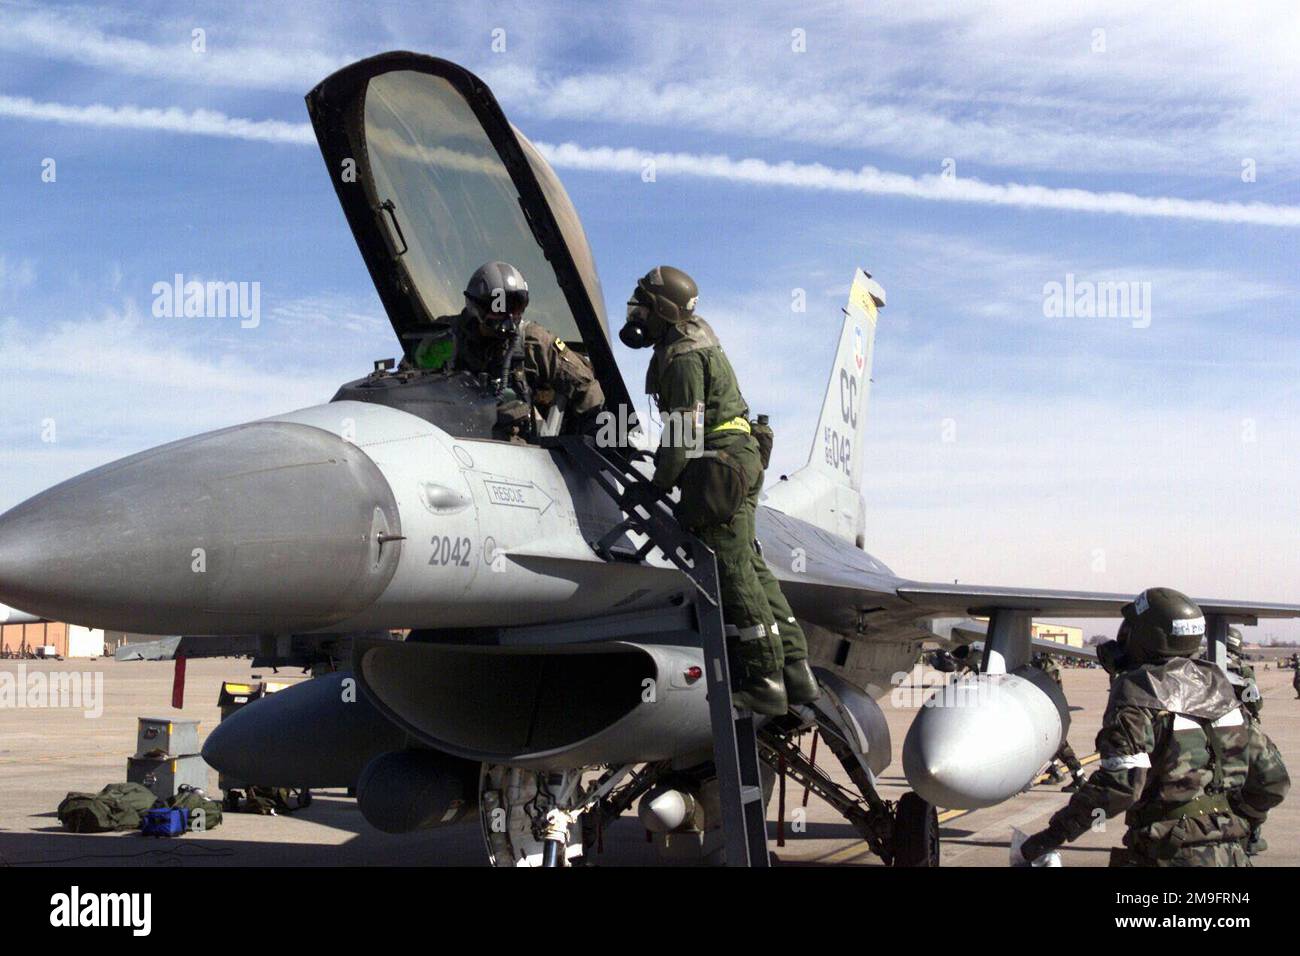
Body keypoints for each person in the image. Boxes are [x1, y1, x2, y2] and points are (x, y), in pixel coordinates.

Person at [618, 265, 816, 715]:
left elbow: (684, 431)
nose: (636, 316)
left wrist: (658, 485)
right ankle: (795, 672)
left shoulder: (683, 356)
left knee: (730, 569)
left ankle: (764, 680)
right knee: (749, 562)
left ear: (663, 311)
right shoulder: (691, 341)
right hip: (738, 458)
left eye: (643, 307)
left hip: (720, 463)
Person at [1018, 587, 1290, 867]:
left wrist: (1052, 835)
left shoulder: (1137, 693)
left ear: (1147, 637)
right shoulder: (1222, 689)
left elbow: (1119, 788)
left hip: (1167, 854)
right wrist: (1235, 824)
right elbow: (1273, 781)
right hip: (1231, 854)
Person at [417, 261, 605, 437]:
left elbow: (586, 386)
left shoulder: (534, 342)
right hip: (447, 439)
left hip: (512, 448)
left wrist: (598, 433)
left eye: (515, 306)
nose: (509, 316)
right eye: (498, 307)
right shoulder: (445, 337)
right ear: (476, 307)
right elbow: (408, 382)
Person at [1033, 654, 1087, 792]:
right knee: (1042, 740)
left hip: (1047, 703)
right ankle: (1055, 771)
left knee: (1057, 742)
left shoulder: (1043, 664)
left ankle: (1079, 777)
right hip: (1044, 700)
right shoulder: (1044, 662)